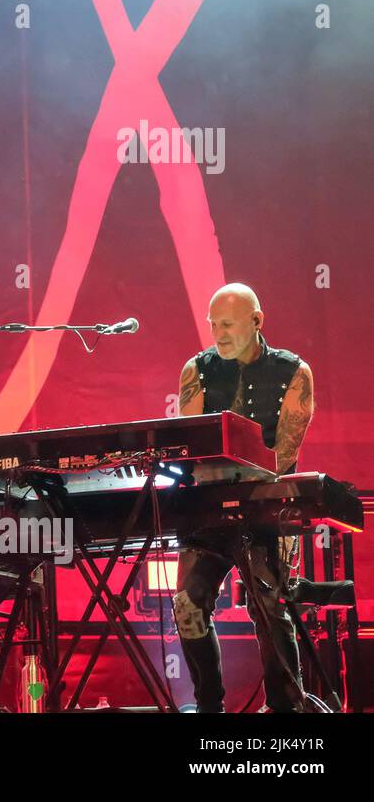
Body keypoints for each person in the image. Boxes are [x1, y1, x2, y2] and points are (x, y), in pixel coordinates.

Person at [175, 283, 315, 712]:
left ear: (257, 321)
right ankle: (207, 706)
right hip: (208, 510)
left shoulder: (294, 372)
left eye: (228, 325)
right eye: (213, 325)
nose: (219, 334)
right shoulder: (195, 370)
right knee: (187, 605)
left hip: (266, 510)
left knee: (269, 608)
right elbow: (189, 446)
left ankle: (284, 707)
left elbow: (282, 458)